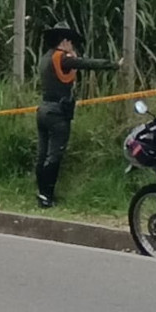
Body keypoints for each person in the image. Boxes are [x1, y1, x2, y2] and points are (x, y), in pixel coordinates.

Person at [35, 23, 121, 208]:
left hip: (43, 110)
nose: (72, 46)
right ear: (64, 41)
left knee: (42, 155)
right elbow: (85, 63)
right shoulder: (63, 58)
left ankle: (41, 193)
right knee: (54, 155)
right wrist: (113, 65)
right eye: (71, 42)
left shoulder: (45, 58)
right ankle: (47, 196)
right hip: (58, 113)